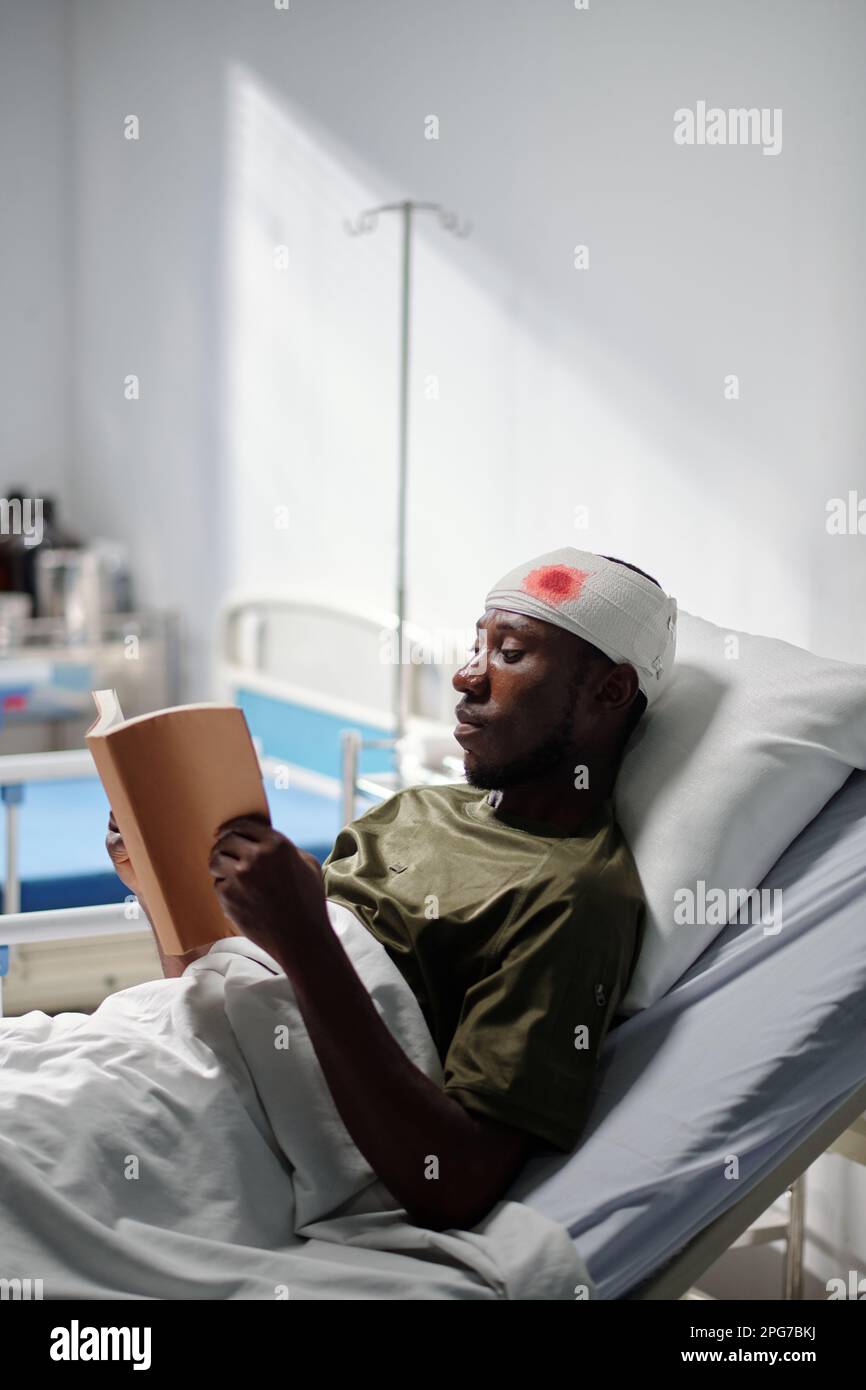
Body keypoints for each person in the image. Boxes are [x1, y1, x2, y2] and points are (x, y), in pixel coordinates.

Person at [107, 547, 677, 1234]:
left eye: (512, 653)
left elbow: (456, 1180)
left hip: (211, 1128)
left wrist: (304, 935)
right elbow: (227, 1000)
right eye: (477, 644)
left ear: (610, 692)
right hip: (146, 1055)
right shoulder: (414, 812)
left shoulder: (574, 892)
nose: (467, 675)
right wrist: (160, 889)